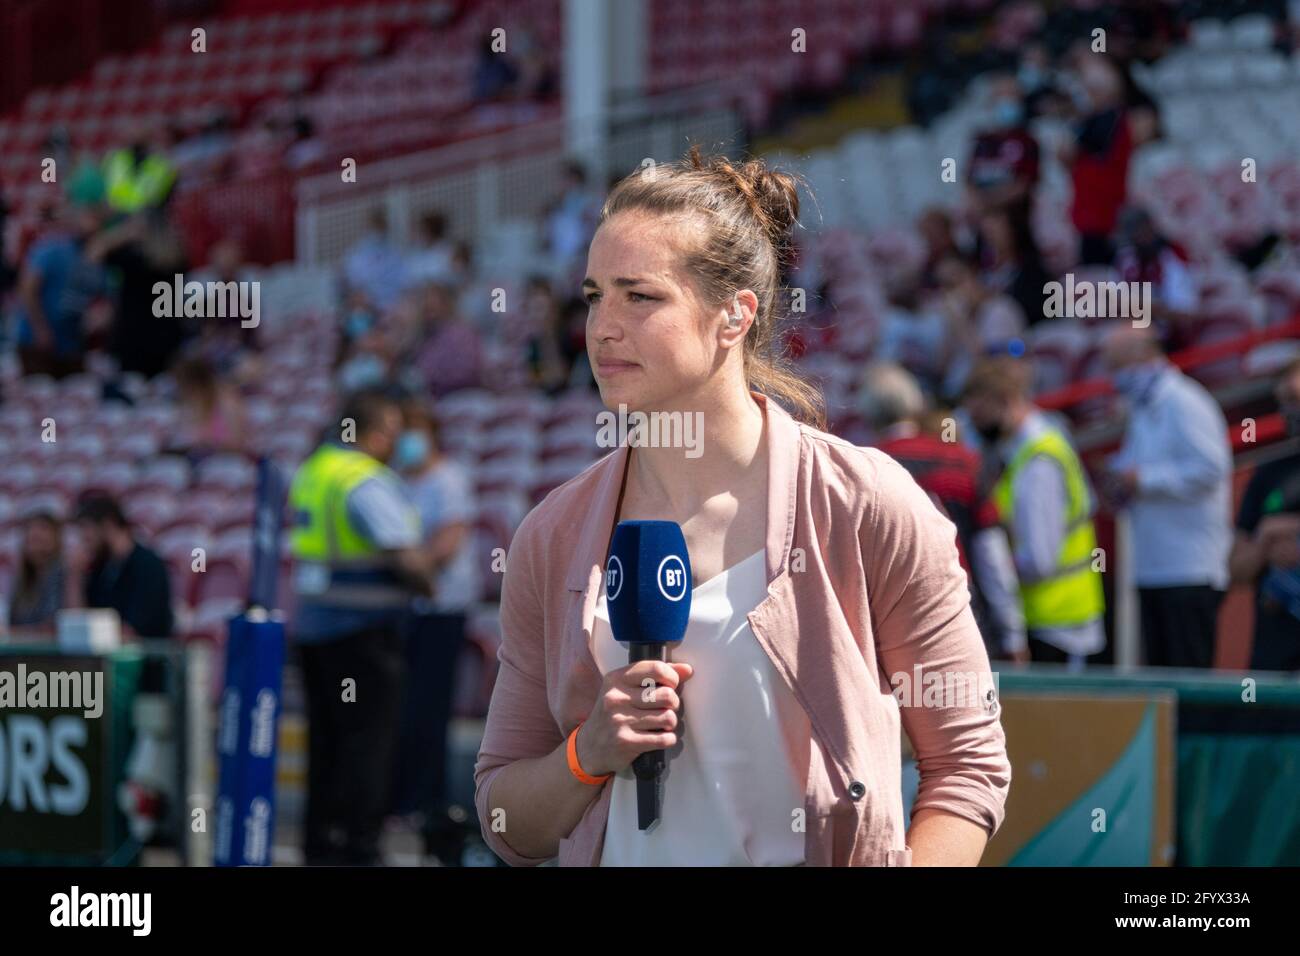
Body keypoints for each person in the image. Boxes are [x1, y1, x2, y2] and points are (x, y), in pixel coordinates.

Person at [474, 148, 1010, 867]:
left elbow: (966, 768)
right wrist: (586, 754)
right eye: (594, 294)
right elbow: (505, 817)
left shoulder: (866, 504)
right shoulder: (551, 535)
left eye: (640, 296)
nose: (601, 326)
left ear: (734, 315)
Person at [288, 388, 438, 865]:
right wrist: (427, 578)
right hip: (362, 636)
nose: (397, 442)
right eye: (392, 432)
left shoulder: (314, 470)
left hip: (314, 631)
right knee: (367, 746)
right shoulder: (363, 479)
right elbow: (402, 552)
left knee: (326, 743)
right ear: (372, 434)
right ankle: (359, 849)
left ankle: (321, 845)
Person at [859, 362, 1027, 664]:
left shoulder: (860, 469)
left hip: (889, 618)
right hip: (959, 607)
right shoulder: (963, 461)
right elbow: (992, 555)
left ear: (869, 414)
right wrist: (1012, 632)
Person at [961, 357, 1106, 667]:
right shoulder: (1023, 454)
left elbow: (1039, 559)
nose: (979, 428)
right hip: (1048, 621)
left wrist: (991, 570)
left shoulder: (1039, 463)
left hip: (1059, 626)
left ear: (1006, 402)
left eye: (981, 416)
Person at [1101, 328, 1231, 668]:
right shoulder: (1143, 408)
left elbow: (1211, 467)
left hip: (1189, 568)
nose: (1113, 375)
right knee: (1163, 681)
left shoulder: (1185, 401)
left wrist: (1142, 479)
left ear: (1143, 356)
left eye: (1117, 365)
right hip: (1154, 566)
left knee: (1189, 682)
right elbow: (1135, 466)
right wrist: (1120, 479)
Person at [387, 401, 479, 860]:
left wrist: (411, 566)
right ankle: (401, 799)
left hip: (441, 609)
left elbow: (448, 539)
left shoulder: (449, 479)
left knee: (428, 708)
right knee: (402, 708)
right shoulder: (401, 482)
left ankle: (426, 801)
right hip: (408, 608)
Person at [1229, 356, 1300, 672]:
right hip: (1274, 656)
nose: (1290, 410)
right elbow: (1236, 570)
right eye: (1284, 401)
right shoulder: (1268, 471)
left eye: (1296, 399)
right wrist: (1265, 540)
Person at [13, 199, 108, 378]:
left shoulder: (96, 255)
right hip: (39, 344)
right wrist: (40, 329)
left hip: (71, 343)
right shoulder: (51, 249)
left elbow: (101, 298)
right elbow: (27, 289)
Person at [74, 494, 174, 638]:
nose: (85, 542)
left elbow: (133, 631)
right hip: (107, 655)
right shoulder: (102, 568)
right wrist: (74, 576)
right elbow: (80, 623)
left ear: (108, 525)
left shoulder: (148, 565)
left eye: (88, 533)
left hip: (146, 656)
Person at [6, 510, 71, 635]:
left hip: (52, 650)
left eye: (43, 529)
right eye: (30, 531)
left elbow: (53, 625)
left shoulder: (63, 573)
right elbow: (13, 619)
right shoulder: (23, 577)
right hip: (22, 649)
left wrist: (14, 632)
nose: (34, 533)